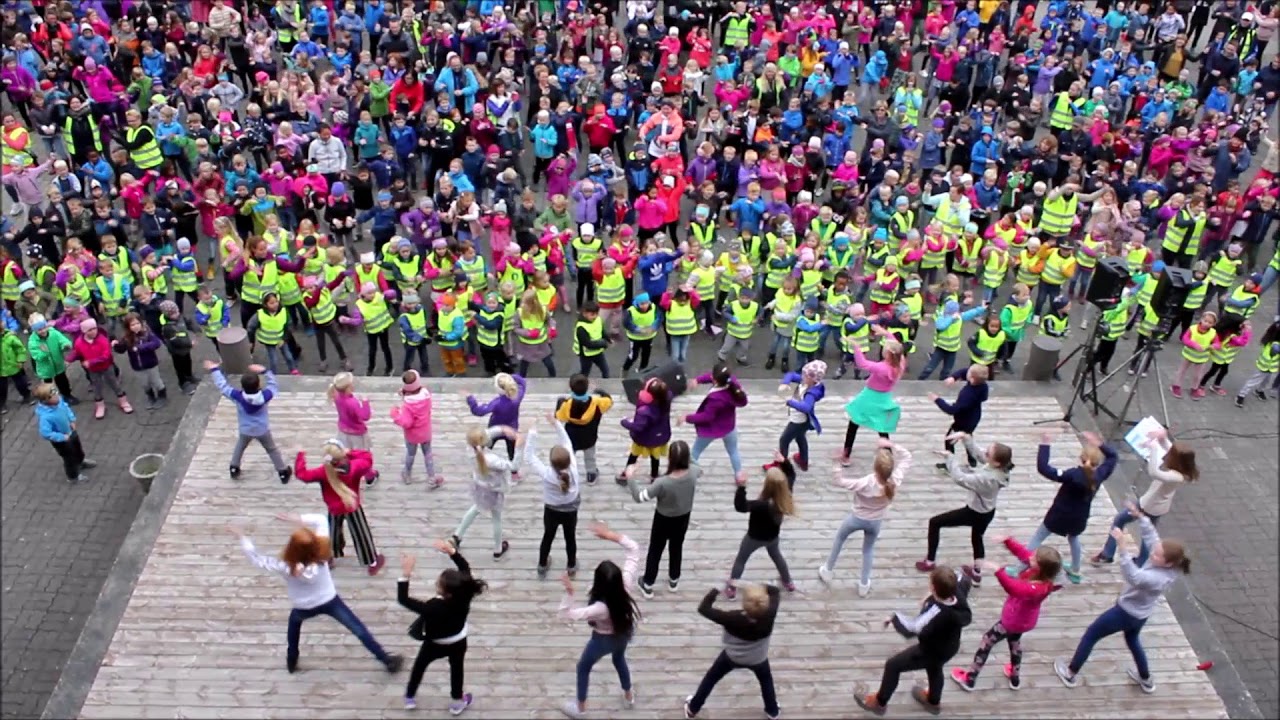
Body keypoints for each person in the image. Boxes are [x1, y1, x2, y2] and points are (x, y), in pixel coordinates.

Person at [231, 512, 402, 675]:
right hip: (329, 600)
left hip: (302, 606)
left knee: (294, 629)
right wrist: (300, 519)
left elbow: (257, 559)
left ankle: (292, 659)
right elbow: (321, 520)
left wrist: (242, 537)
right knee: (357, 628)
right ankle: (386, 659)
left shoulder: (285, 566)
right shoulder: (321, 554)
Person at [1055, 507, 1192, 694]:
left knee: (1092, 634)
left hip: (1126, 612)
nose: (1152, 554)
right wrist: (1141, 517)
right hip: (1141, 614)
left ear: (1167, 563)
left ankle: (1070, 672)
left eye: (1156, 555)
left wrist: (1122, 546)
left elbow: (1133, 576)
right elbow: (1152, 538)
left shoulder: (1157, 578)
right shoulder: (1168, 564)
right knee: (1133, 640)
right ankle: (1146, 679)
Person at [854, 566, 973, 715]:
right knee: (935, 667)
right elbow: (963, 578)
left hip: (931, 650)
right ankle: (933, 702)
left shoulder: (937, 612)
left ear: (934, 588)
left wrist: (894, 619)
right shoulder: (957, 593)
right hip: (950, 647)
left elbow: (913, 628)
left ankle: (879, 702)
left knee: (893, 665)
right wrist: (931, 596)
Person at [951, 537, 1062, 692]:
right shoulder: (1046, 577)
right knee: (1014, 642)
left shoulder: (1036, 588)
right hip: (1026, 622)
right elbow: (1024, 554)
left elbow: (1014, 589)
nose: (1030, 556)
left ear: (1040, 567)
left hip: (1012, 621)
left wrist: (998, 570)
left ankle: (970, 678)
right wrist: (1008, 541)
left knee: (987, 641)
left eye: (1034, 557)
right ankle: (1014, 677)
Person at [558, 521, 640, 719]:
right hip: (624, 632)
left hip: (602, 640)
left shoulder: (599, 608)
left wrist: (569, 594)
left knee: (583, 667)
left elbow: (567, 614)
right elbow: (634, 549)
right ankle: (628, 695)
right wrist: (610, 535)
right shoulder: (626, 585)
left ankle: (581, 708)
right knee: (619, 659)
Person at [1012, 430, 1118, 584]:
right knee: (1074, 538)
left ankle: (1019, 568)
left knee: (1038, 537)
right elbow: (1113, 456)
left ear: (1081, 458)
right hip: (1079, 517)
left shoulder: (1072, 474)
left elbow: (1044, 468)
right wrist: (1100, 444)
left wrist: (1045, 444)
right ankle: (1075, 570)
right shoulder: (1100, 475)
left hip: (1058, 515)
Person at [397, 540, 486, 714]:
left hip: (434, 644)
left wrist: (406, 573)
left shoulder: (432, 607)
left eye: (439, 582)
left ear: (444, 591)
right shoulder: (465, 595)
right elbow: (465, 569)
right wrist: (452, 552)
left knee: (419, 666)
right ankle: (456, 702)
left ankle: (410, 697)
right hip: (458, 641)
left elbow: (403, 600)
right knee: (457, 670)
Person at [914, 432, 1013, 585]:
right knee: (977, 537)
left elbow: (960, 478)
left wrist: (950, 458)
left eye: (988, 453)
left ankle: (929, 561)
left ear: (997, 463)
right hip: (988, 511)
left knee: (935, 522)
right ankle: (976, 572)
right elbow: (980, 455)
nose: (985, 453)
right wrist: (966, 438)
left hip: (974, 512)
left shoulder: (987, 479)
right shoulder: (1000, 469)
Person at [819, 438, 912, 597]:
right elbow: (907, 457)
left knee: (840, 538)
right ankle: (863, 584)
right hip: (875, 522)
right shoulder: (894, 480)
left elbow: (840, 481)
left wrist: (836, 464)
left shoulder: (866, 482)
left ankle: (828, 570)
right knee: (868, 550)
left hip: (856, 518)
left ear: (875, 467)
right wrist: (893, 445)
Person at [1093, 427, 1197, 567]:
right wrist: (1162, 438)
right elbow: (1171, 450)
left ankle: (1108, 554)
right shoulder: (1181, 470)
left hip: (1148, 506)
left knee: (1122, 521)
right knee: (1146, 535)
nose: (1168, 456)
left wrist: (1153, 448)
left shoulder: (1176, 476)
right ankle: (1139, 561)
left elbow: (1154, 472)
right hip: (1155, 506)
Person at [683, 583, 782, 720]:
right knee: (766, 681)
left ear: (744, 604)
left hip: (732, 657)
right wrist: (753, 587)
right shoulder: (769, 616)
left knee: (711, 679)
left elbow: (703, 609)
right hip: (758, 658)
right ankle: (772, 711)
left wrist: (716, 590)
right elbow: (775, 591)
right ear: (765, 604)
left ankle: (693, 709)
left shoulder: (732, 618)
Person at [294, 440, 386, 575]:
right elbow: (367, 457)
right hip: (351, 505)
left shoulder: (323, 472)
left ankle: (328, 556)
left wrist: (300, 455)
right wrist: (350, 452)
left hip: (334, 508)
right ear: (342, 454)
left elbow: (302, 475)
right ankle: (372, 561)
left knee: (332, 533)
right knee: (361, 533)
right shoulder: (356, 466)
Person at [626, 439, 701, 599]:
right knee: (676, 546)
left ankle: (648, 583)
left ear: (670, 459)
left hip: (663, 519)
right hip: (683, 517)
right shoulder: (694, 472)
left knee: (655, 550)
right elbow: (697, 465)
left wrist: (630, 478)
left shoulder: (662, 483)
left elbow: (640, 497)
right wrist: (687, 456)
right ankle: (674, 579)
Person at [206, 360, 292, 483]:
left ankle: (234, 468)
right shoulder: (265, 396)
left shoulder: (237, 396)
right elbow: (273, 385)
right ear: (258, 386)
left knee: (240, 447)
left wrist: (215, 370)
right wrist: (265, 371)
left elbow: (223, 386)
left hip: (245, 429)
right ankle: (283, 472)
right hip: (262, 429)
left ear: (242, 387)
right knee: (272, 450)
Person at [725, 458, 797, 595]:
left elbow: (740, 506)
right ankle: (788, 582)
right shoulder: (785, 496)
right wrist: (784, 462)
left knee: (741, 559)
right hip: (772, 537)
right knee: (777, 557)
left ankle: (732, 587)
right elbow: (792, 475)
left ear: (767, 484)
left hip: (753, 538)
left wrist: (741, 487)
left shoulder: (760, 505)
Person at [840, 332, 908, 464]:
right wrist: (886, 333)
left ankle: (846, 456)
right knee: (882, 428)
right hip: (884, 398)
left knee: (853, 423)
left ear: (887, 354)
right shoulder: (900, 364)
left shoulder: (882, 368)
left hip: (869, 397)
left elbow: (862, 364)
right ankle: (888, 455)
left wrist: (856, 347)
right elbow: (897, 347)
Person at [452, 425, 519, 560]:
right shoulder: (492, 460)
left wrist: (502, 429)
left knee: (476, 508)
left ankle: (457, 536)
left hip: (480, 487)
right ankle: (498, 549)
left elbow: (484, 436)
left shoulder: (471, 450)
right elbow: (513, 466)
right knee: (496, 518)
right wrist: (519, 447)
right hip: (493, 491)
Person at [526, 416, 582, 577]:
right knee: (570, 537)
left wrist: (532, 433)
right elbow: (567, 442)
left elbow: (529, 457)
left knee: (548, 536)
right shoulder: (573, 468)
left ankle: (542, 564)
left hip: (551, 510)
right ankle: (571, 565)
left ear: (551, 463)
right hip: (570, 509)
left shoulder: (547, 474)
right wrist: (556, 424)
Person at [683, 362, 749, 479]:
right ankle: (739, 474)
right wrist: (698, 380)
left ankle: (694, 471)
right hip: (729, 426)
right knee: (733, 451)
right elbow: (712, 376)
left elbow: (706, 416)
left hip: (712, 429)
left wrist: (687, 418)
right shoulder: (732, 382)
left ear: (715, 380)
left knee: (695, 452)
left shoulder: (716, 399)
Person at [555, 373, 615, 486]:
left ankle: (566, 473)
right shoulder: (597, 403)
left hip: (571, 436)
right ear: (587, 387)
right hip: (589, 436)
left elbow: (558, 417)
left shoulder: (566, 405)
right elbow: (609, 401)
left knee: (569, 455)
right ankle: (591, 475)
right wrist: (601, 392)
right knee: (590, 457)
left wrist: (559, 403)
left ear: (570, 387)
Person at [929, 364, 990, 470]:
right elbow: (965, 371)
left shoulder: (967, 394)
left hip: (962, 421)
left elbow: (952, 410)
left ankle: (950, 464)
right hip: (974, 417)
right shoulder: (983, 386)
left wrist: (937, 400)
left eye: (969, 372)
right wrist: (954, 377)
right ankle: (972, 458)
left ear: (971, 379)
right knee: (968, 437)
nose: (966, 372)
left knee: (949, 440)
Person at [390, 370, 444, 487]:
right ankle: (431, 477)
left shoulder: (407, 405)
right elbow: (419, 390)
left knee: (410, 454)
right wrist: (406, 392)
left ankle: (407, 474)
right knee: (428, 454)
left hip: (412, 436)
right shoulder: (426, 396)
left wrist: (395, 414)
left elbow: (407, 423)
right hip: (425, 432)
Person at [34, 382, 96, 484]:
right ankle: (73, 477)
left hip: (71, 432)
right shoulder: (45, 417)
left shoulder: (59, 401)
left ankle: (80, 462)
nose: (57, 396)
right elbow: (46, 433)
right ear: (46, 400)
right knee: (69, 459)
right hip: (62, 441)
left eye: (56, 392)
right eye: (53, 395)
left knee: (78, 449)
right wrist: (62, 437)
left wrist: (72, 420)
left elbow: (67, 409)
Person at [617, 376, 673, 483]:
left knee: (634, 455)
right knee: (655, 457)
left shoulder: (645, 411)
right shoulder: (667, 398)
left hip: (643, 438)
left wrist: (625, 422)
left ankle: (625, 474)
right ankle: (654, 476)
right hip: (660, 435)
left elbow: (638, 427)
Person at [777, 359, 827, 472]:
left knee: (784, 440)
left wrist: (790, 401)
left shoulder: (812, 393)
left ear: (813, 378)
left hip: (798, 421)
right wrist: (785, 383)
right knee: (800, 437)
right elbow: (790, 375)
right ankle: (803, 460)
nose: (802, 375)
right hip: (801, 420)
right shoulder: (806, 381)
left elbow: (806, 407)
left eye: (805, 374)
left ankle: (783, 465)